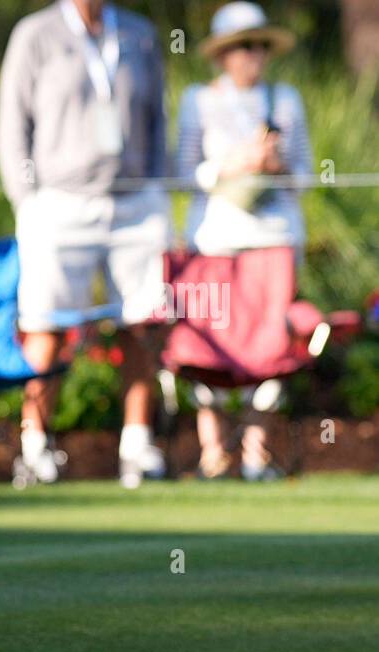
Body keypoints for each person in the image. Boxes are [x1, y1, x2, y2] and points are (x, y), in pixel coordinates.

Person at [0, 0, 171, 488]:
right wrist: (26, 200)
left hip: (134, 204)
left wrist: (155, 188)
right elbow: (13, 125)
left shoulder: (138, 33)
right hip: (59, 202)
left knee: (138, 326)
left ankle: (137, 444)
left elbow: (158, 117)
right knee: (45, 326)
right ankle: (35, 445)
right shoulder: (36, 35)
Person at [176, 2, 308, 481]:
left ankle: (256, 455)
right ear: (222, 54)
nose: (251, 55)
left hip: (272, 242)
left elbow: (306, 175)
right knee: (208, 347)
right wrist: (234, 164)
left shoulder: (286, 99)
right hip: (215, 244)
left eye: (258, 46)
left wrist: (274, 165)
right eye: (240, 47)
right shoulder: (199, 100)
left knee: (269, 349)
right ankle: (214, 453)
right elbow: (183, 173)